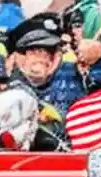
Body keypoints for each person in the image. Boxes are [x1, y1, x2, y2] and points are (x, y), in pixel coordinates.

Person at [5, 14, 78, 151]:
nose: (43, 58)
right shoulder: (3, 84)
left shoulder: (71, 74)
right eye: (34, 51)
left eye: (48, 52)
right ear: (18, 56)